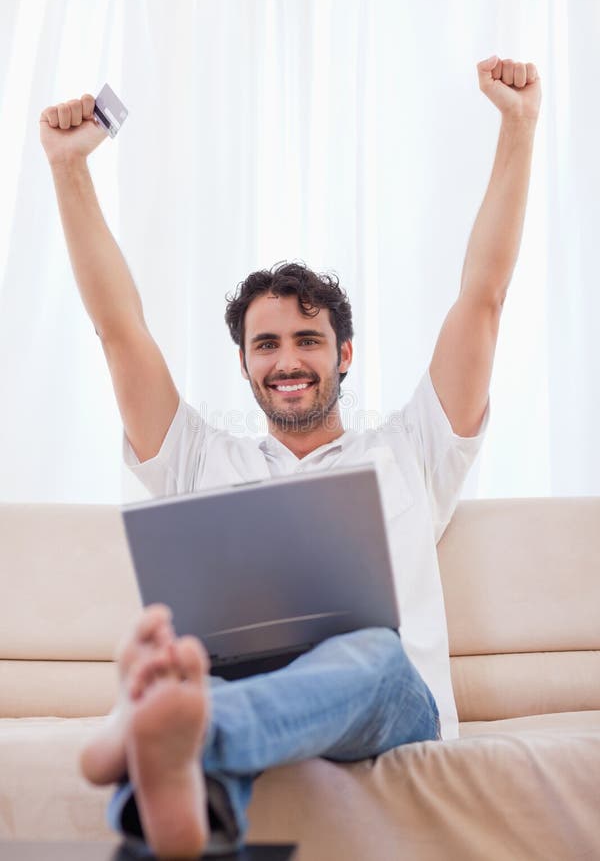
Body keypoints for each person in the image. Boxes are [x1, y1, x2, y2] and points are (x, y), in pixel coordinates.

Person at [39, 54, 541, 858]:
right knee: (198, 674)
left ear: (345, 354)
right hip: (249, 689)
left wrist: (518, 127)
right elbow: (119, 329)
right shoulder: (200, 459)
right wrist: (69, 171)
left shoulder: (413, 448)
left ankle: (166, 730)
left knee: (371, 649)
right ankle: (185, 760)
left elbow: (482, 297)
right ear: (244, 363)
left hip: (387, 705)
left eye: (308, 340)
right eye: (266, 344)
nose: (288, 360)